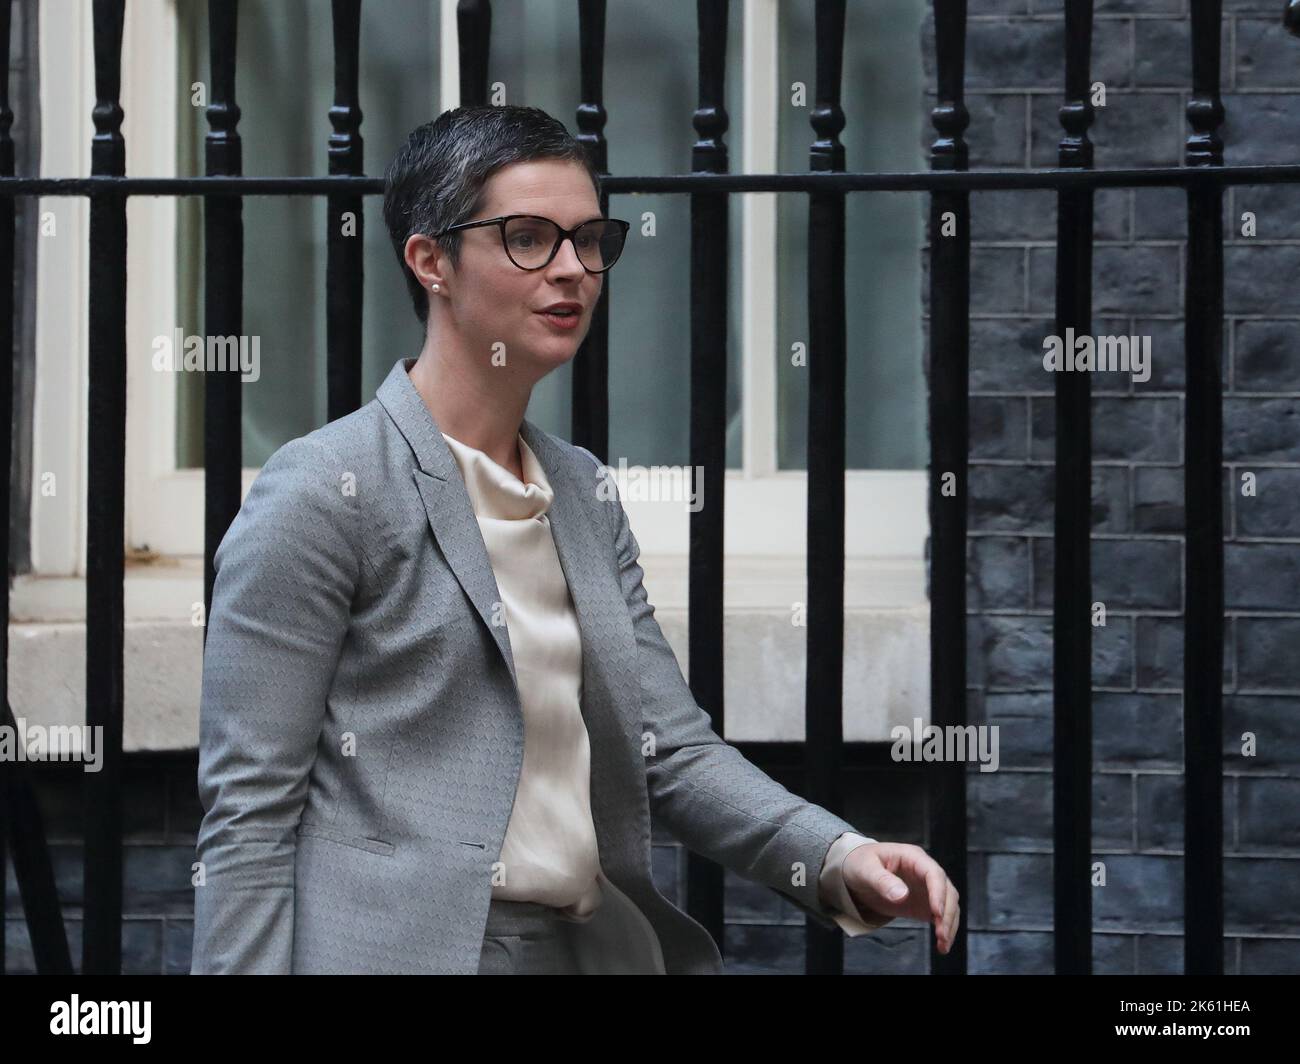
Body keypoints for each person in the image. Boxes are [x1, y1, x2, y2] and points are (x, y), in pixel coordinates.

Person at [190, 104, 958, 974]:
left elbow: (665, 745)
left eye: (589, 240)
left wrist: (832, 853)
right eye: (528, 237)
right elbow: (249, 813)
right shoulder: (325, 489)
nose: (572, 270)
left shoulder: (582, 491)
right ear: (430, 260)